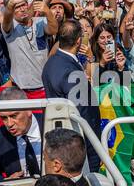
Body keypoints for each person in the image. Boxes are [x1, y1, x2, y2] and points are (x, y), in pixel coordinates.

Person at [42, 19, 100, 170]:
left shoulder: (50, 62)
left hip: (61, 139)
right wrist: (93, 149)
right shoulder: (71, 71)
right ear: (79, 41)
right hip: (78, 146)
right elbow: (84, 114)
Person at [0, 86, 41, 181]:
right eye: (4, 118)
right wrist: (6, 182)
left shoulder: (50, 124)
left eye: (14, 116)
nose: (9, 124)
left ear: (29, 110)